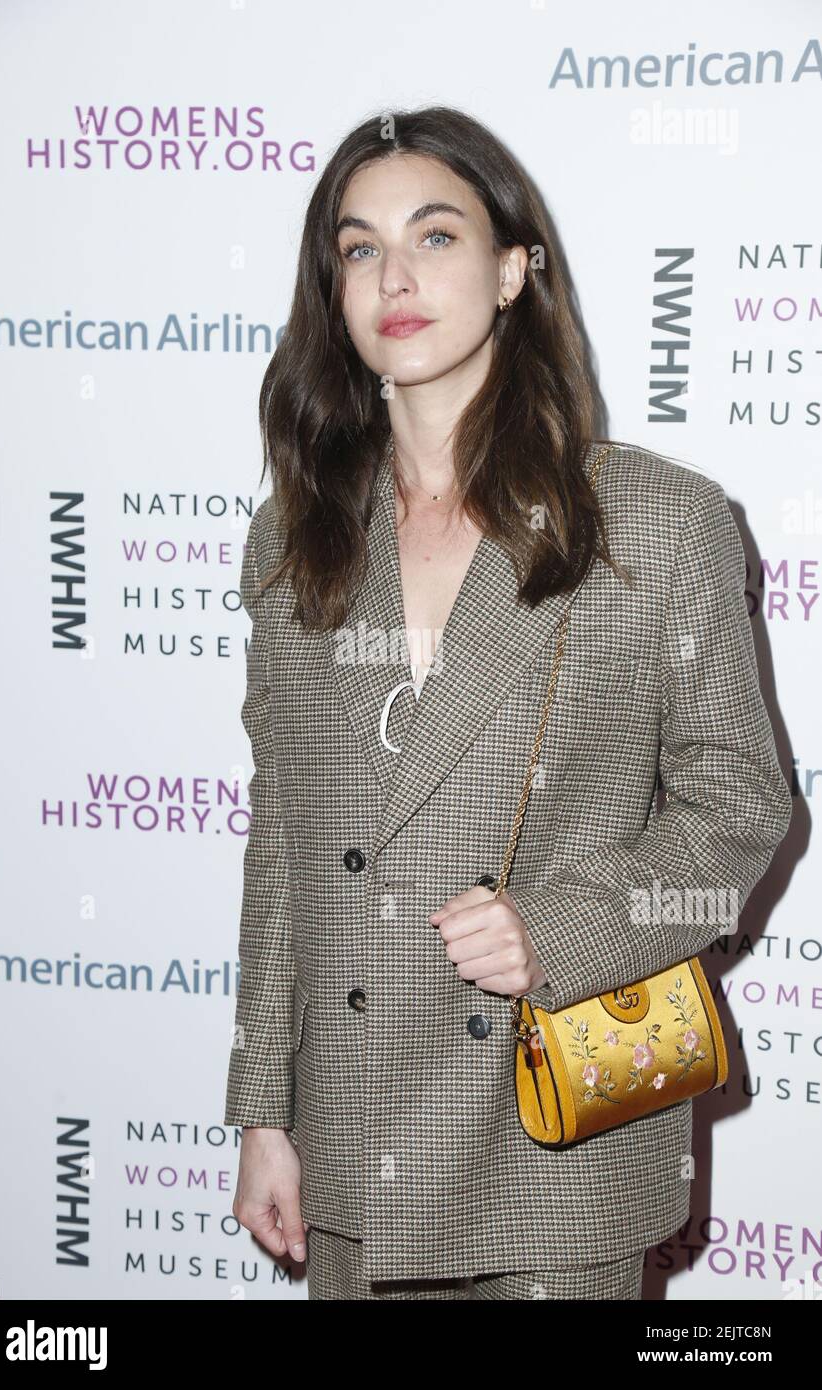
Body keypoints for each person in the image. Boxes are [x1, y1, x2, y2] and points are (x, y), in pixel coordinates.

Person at [224, 106, 792, 1300]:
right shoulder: (295, 538)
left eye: (435, 236)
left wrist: (563, 924)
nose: (395, 277)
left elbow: (736, 801)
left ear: (513, 267)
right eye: (358, 247)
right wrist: (263, 1106)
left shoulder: (651, 520)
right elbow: (281, 841)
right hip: (351, 1131)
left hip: (548, 1128)